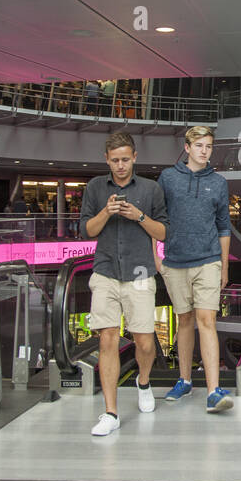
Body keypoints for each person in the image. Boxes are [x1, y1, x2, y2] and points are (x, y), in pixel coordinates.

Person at [80, 132, 168, 437]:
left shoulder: (151, 189)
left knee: (145, 342)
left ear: (135, 157)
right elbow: (87, 231)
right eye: (115, 160)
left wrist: (138, 215)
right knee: (107, 340)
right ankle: (111, 412)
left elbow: (164, 232)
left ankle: (143, 381)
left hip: (141, 274)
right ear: (107, 159)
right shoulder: (94, 188)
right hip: (105, 271)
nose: (120, 165)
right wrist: (106, 211)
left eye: (125, 159)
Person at [158, 126, 235, 413]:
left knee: (207, 320)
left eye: (209, 146)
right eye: (199, 145)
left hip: (208, 260)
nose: (205, 151)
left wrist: (224, 264)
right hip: (175, 261)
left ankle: (213, 391)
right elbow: (158, 219)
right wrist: (158, 255)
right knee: (184, 320)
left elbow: (224, 226)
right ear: (187, 147)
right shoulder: (167, 178)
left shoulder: (218, 183)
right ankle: (185, 380)